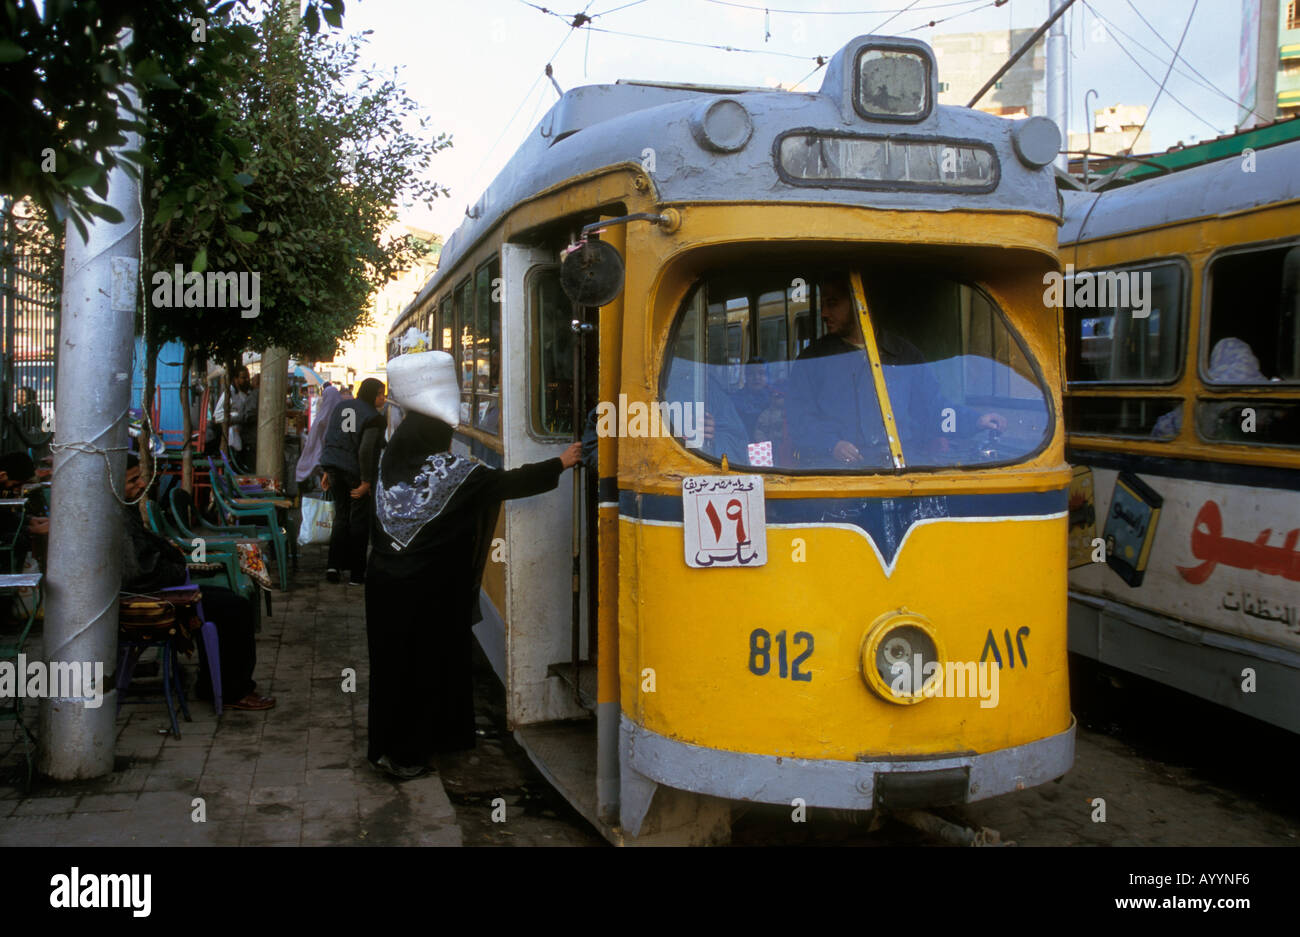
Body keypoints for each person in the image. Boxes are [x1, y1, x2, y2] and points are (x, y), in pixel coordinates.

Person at [366, 351, 581, 780]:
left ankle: (396, 747)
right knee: (427, 671)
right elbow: (506, 483)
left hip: (384, 586)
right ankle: (409, 756)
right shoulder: (452, 473)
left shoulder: (391, 462)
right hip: (427, 597)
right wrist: (562, 461)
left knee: (393, 673)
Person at [788, 273, 1005, 468]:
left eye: (832, 303)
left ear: (860, 302)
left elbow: (932, 409)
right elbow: (799, 420)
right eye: (823, 304)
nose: (824, 313)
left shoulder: (904, 354)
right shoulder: (813, 360)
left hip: (900, 470)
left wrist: (976, 421)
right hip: (841, 474)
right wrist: (831, 445)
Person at [121, 454, 274, 711]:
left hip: (153, 586)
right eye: (132, 480)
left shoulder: (125, 510)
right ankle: (234, 691)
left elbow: (151, 546)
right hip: (145, 596)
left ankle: (213, 683)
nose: (140, 485)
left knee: (227, 601)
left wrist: (172, 560)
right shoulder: (118, 518)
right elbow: (140, 571)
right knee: (234, 608)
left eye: (139, 478)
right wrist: (177, 569)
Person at [319, 378, 386, 585]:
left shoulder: (342, 406)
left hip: (334, 468)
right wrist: (366, 481)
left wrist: (326, 470)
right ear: (372, 394)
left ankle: (333, 566)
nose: (383, 398)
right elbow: (365, 450)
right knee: (358, 521)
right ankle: (357, 574)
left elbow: (331, 436)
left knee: (341, 516)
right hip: (355, 472)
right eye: (381, 394)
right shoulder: (374, 418)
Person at [294, 384, 342, 488]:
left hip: (325, 460)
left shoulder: (321, 416)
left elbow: (314, 440)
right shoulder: (344, 415)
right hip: (339, 461)